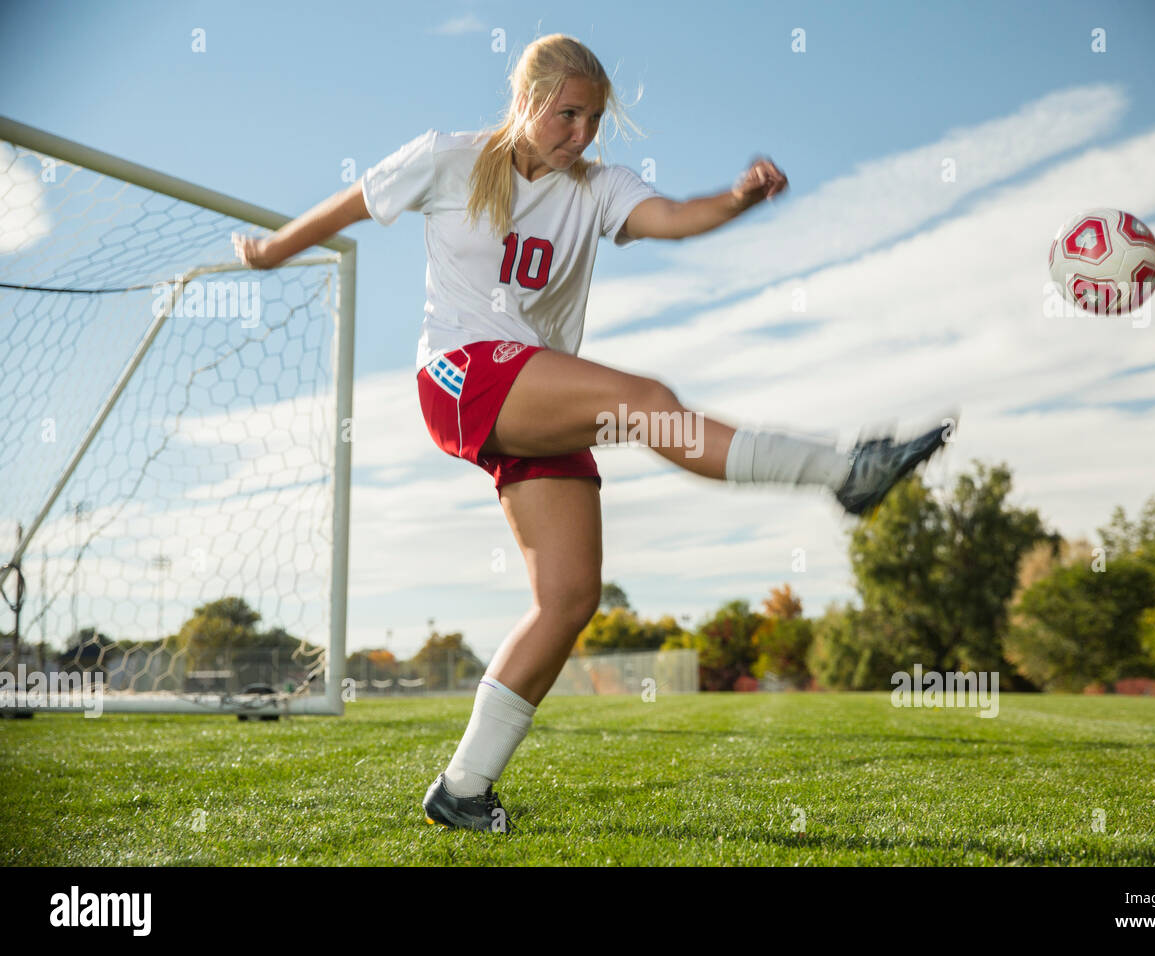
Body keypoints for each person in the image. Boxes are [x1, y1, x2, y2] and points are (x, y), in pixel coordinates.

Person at [233, 34, 955, 835]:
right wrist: (270, 251)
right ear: (526, 100)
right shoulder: (448, 157)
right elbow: (353, 205)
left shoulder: (598, 186)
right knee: (646, 400)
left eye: (592, 120)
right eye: (566, 114)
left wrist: (739, 199)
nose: (580, 133)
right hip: (461, 377)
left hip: (537, 393)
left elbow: (672, 217)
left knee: (569, 599)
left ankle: (463, 787)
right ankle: (847, 471)